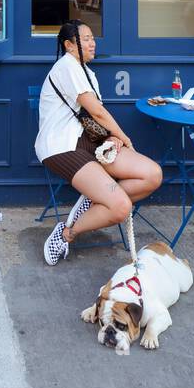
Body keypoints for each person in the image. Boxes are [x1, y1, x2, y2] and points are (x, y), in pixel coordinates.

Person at [37, 20, 163, 265]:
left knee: (152, 175)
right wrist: (124, 137)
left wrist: (110, 136)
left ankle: (96, 201)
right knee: (120, 208)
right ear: (69, 45)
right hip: (62, 146)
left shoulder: (87, 73)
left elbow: (91, 119)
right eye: (85, 39)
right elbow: (97, 112)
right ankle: (67, 233)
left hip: (90, 141)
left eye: (93, 38)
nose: (92, 43)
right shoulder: (67, 66)